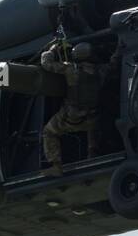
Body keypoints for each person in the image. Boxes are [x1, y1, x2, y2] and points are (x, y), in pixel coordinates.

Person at [40, 39, 103, 175]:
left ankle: (56, 165)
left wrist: (51, 50)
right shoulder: (101, 71)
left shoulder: (70, 69)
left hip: (72, 117)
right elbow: (114, 65)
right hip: (93, 118)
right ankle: (93, 156)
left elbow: (46, 64)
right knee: (93, 127)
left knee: (48, 132)